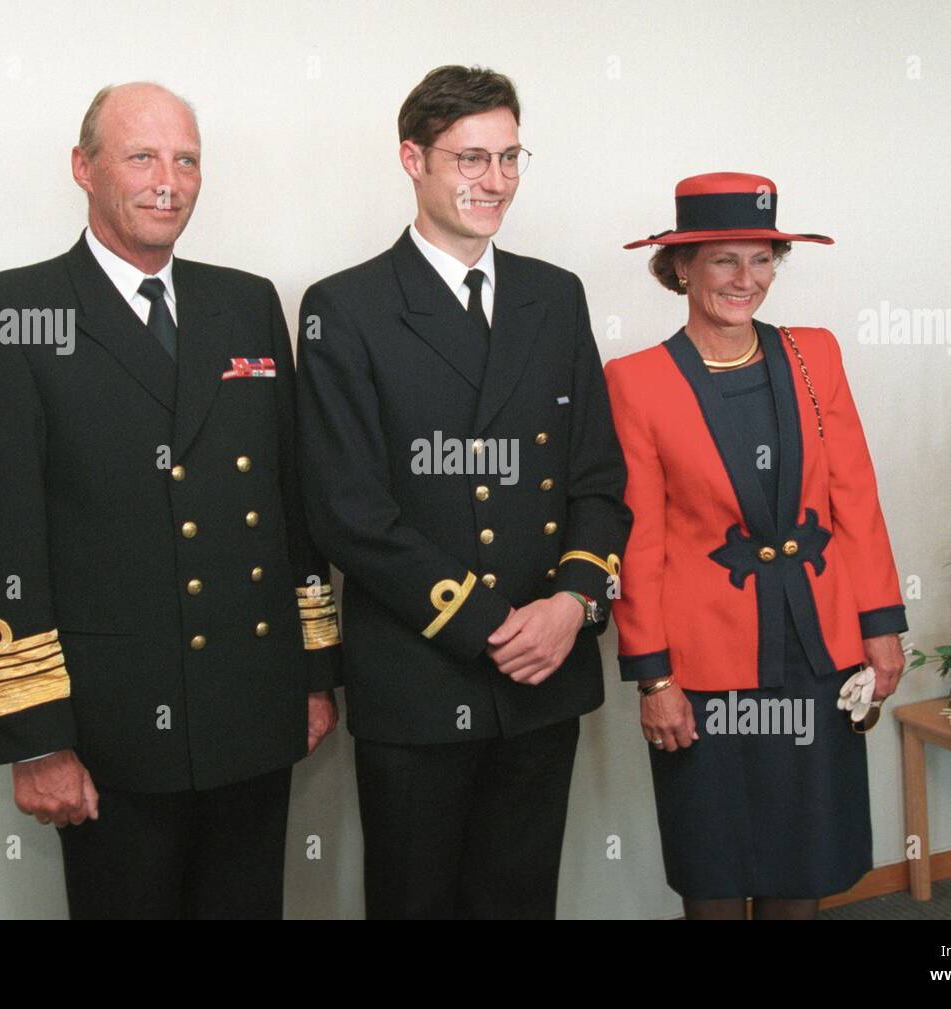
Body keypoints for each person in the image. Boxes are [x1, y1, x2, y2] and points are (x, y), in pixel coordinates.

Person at [0, 82, 340, 919]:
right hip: (110, 732)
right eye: (142, 156)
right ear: (82, 168)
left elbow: (291, 507)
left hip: (251, 710)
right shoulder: (6, 314)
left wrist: (314, 672)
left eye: (187, 159)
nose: (169, 180)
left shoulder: (247, 303)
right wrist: (36, 738)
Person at [295, 65, 631, 919]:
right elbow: (347, 510)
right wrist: (487, 624)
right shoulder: (346, 307)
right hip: (420, 672)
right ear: (413, 158)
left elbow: (597, 475)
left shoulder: (555, 296)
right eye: (470, 158)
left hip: (545, 667)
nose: (495, 181)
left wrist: (571, 603)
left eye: (510, 157)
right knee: (417, 903)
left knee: (520, 902)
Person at [603, 172, 907, 921]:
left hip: (816, 655)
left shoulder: (816, 355)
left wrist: (881, 625)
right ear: (680, 267)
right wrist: (653, 678)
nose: (746, 279)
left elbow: (856, 500)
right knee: (714, 864)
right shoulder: (634, 382)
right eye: (723, 260)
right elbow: (636, 542)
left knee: (798, 863)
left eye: (762, 259)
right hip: (703, 671)